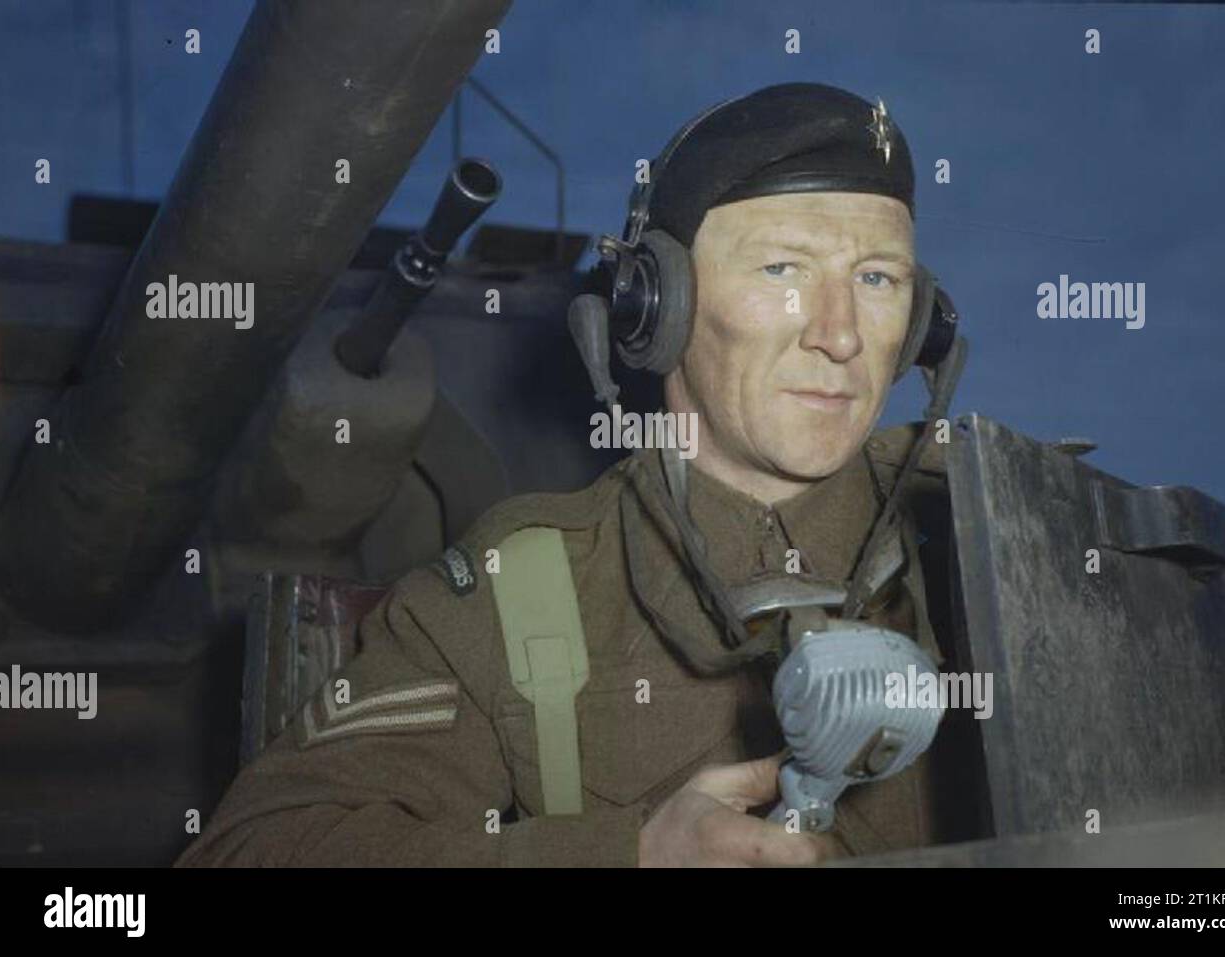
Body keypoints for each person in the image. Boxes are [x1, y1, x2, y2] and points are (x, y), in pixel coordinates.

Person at [177, 82, 951, 868]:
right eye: (783, 267)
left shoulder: (983, 532)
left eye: (877, 279)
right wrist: (625, 857)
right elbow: (248, 852)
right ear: (655, 307)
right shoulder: (528, 587)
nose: (841, 335)